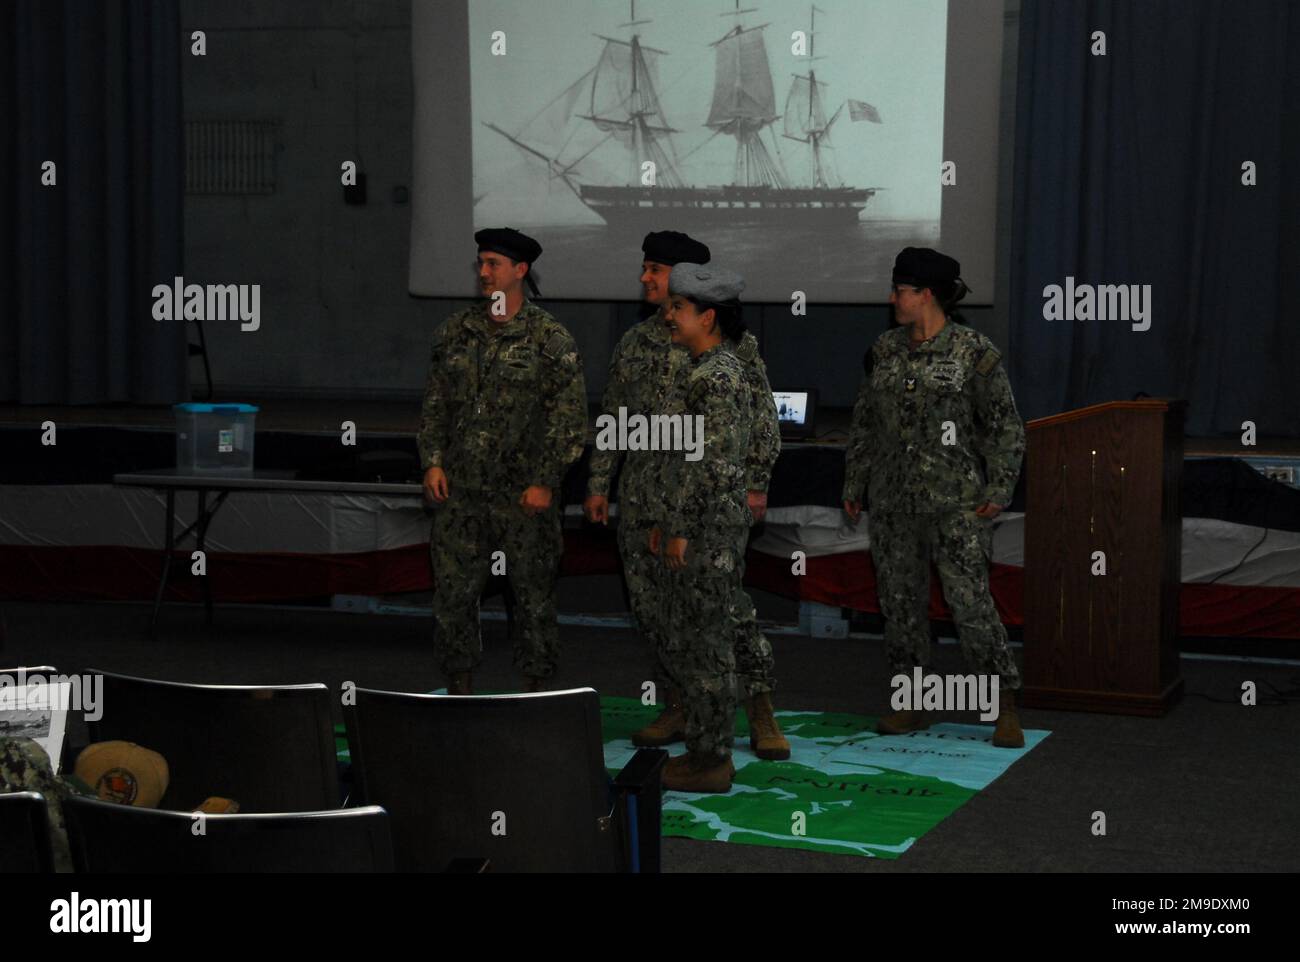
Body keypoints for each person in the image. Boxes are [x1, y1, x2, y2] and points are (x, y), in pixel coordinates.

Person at [584, 232, 788, 759]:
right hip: (647, 496)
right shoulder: (635, 342)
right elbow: (615, 420)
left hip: (704, 502)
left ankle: (760, 708)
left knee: (725, 611)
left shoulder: (732, 345)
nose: (646, 279)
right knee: (655, 611)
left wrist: (756, 482)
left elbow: (764, 418)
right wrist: (600, 483)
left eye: (656, 271)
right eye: (646, 269)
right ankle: (679, 704)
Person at [842, 247, 1027, 747]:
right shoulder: (883, 350)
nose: (892, 298)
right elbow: (864, 424)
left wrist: (999, 486)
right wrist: (854, 482)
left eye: (900, 290)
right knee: (900, 608)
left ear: (925, 295)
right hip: (894, 505)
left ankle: (1004, 702)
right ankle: (911, 703)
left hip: (956, 505)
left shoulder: (973, 352)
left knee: (970, 606)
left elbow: (1005, 427)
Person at [418, 228, 587, 694]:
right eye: (480, 262)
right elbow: (435, 405)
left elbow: (569, 420)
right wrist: (432, 461)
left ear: (520, 271)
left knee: (533, 598)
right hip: (461, 492)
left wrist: (546, 480)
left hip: (524, 495)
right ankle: (459, 689)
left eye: (493, 263)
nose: (484, 271)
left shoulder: (551, 339)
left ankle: (537, 693)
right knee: (454, 595)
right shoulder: (455, 332)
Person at [647, 263, 758, 793]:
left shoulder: (716, 377)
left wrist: (682, 529)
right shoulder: (703, 368)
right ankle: (705, 750)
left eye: (680, 308)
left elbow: (710, 465)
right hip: (698, 524)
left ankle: (710, 758)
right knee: (696, 640)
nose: (668, 316)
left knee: (707, 645)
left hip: (708, 532)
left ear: (708, 316)